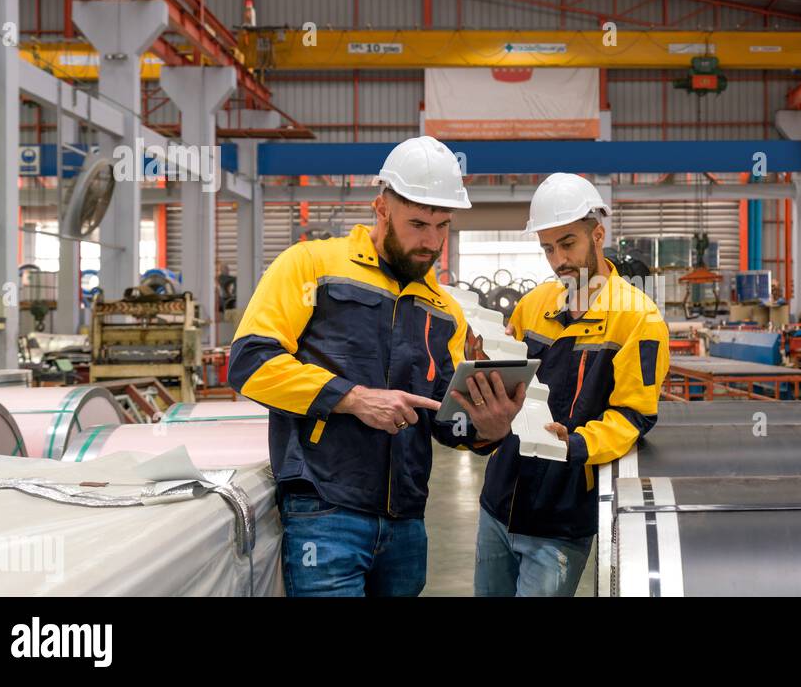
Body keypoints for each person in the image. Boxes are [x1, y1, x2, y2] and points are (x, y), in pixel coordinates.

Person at [229, 136, 525, 596]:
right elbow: (251, 363)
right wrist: (352, 399)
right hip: (326, 510)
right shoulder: (310, 266)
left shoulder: (443, 309)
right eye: (418, 224)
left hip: (407, 522)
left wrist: (489, 428)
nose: (431, 242)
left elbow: (446, 420)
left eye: (442, 226)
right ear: (381, 207)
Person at [474, 173, 670, 596]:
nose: (558, 259)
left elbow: (634, 415)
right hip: (498, 502)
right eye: (547, 248)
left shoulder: (637, 319)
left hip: (560, 516)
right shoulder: (533, 306)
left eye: (568, 244)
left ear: (597, 234)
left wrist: (574, 444)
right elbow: (506, 382)